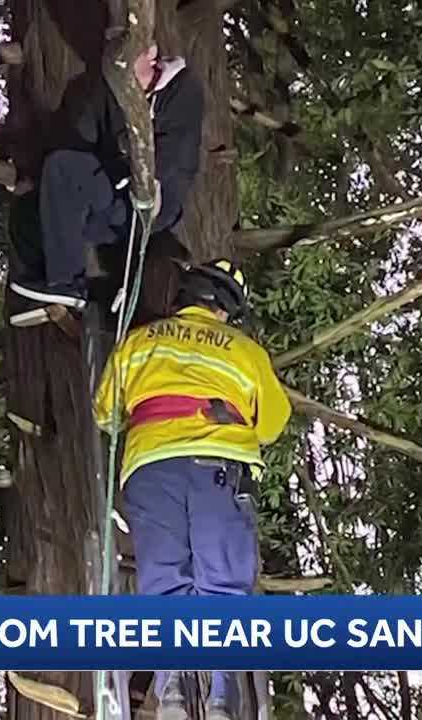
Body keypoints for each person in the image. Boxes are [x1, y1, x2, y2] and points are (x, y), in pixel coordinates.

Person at [92, 259, 292, 720]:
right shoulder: (245, 351)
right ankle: (221, 698)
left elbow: (105, 412)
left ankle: (173, 692)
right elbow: (272, 424)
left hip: (151, 465)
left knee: (163, 581)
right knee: (223, 583)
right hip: (218, 466)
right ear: (224, 309)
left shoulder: (139, 342)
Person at [9, 45, 205, 323]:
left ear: (150, 53)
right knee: (28, 210)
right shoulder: (101, 89)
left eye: (127, 55)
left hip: (153, 204)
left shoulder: (181, 89)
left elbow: (178, 157)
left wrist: (144, 181)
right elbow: (77, 144)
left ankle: (67, 284)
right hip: (108, 198)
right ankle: (46, 288)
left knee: (65, 168)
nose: (117, 63)